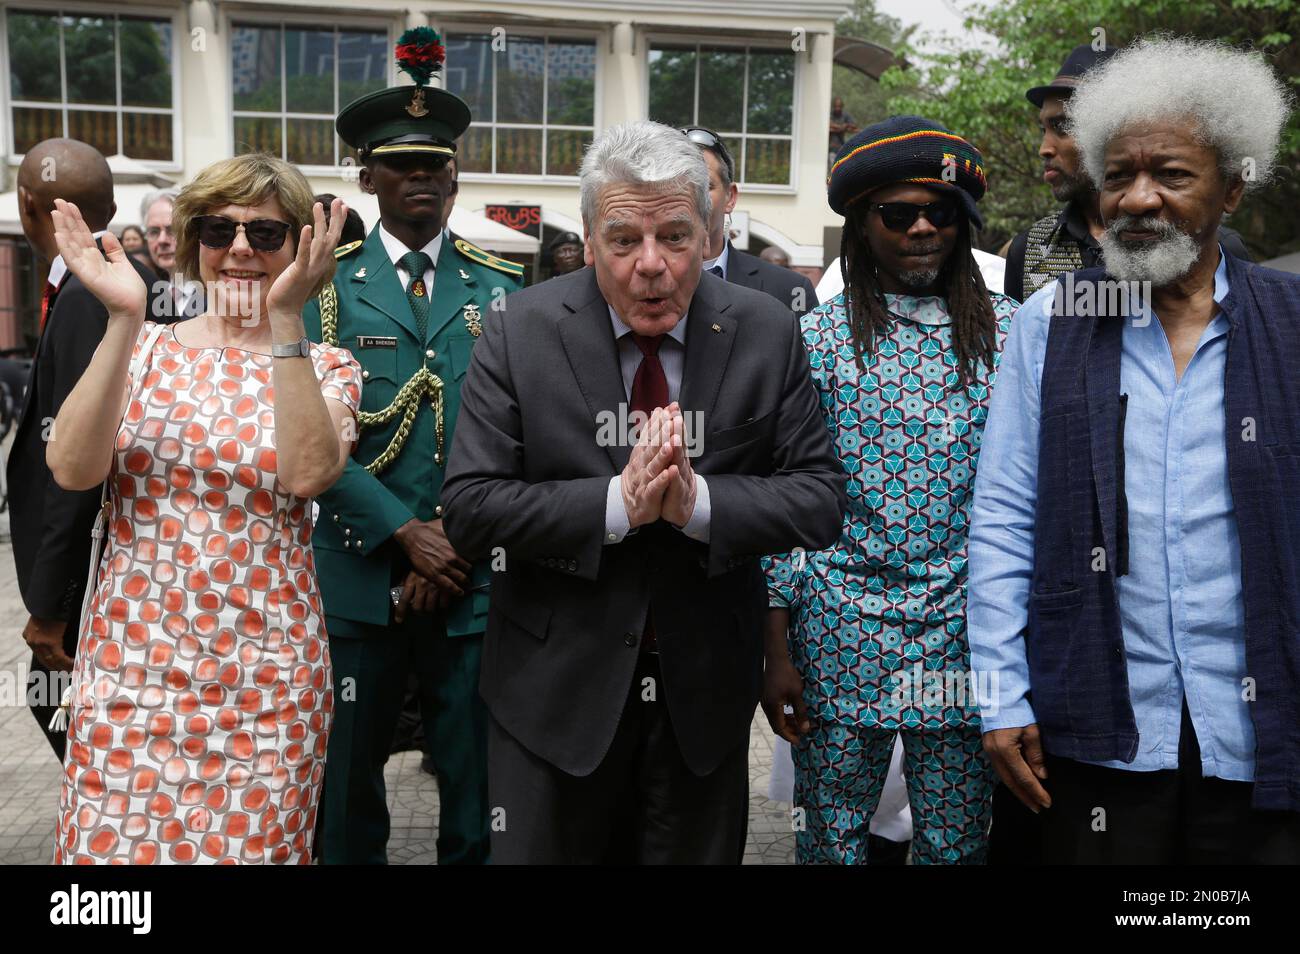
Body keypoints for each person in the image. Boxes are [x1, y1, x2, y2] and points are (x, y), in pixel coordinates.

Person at [441, 119, 846, 864]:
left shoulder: (767, 329)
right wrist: (615, 507)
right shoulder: (517, 330)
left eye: (675, 236)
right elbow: (469, 507)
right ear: (590, 240)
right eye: (624, 240)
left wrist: (701, 508)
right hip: (550, 700)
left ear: (710, 232)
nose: (651, 266)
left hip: (703, 701)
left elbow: (819, 499)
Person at [969, 36, 1300, 864]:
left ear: (1231, 187)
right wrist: (999, 696)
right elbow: (1005, 517)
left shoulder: (1291, 326)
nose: (1138, 199)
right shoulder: (1050, 324)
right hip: (1099, 732)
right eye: (1119, 176)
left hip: (1262, 730)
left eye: (1172, 176)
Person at [45, 152, 361, 864]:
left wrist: (284, 320)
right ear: (194, 244)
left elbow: (309, 473)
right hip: (130, 682)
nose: (241, 249)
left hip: (266, 691)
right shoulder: (145, 347)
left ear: (301, 249)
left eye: (268, 234)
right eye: (219, 231)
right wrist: (124, 317)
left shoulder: (330, 365)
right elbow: (69, 467)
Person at [763, 116, 1016, 864]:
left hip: (961, 635)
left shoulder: (1013, 332)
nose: (922, 229)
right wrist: (774, 648)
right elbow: (786, 498)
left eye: (941, 212)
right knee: (831, 843)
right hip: (840, 632)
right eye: (898, 214)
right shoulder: (818, 339)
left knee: (955, 844)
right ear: (862, 227)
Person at [301, 29, 524, 866]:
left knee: (475, 785)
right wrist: (405, 535)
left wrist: (451, 545)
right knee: (347, 784)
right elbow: (310, 443)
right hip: (359, 571)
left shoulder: (501, 291)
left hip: (466, 578)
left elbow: (517, 438)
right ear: (366, 176)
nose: (424, 177)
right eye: (403, 164)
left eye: (437, 163)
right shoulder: (325, 288)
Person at [8, 138, 170, 760]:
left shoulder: (85, 295)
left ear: (28, 207)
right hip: (104, 571)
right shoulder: (121, 283)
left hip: (89, 576)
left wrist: (51, 605)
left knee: (62, 708)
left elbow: (77, 466)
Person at [1003, 43, 1251, 303]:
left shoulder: (1216, 247)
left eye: (1063, 126)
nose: (1044, 149)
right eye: (1044, 129)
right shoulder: (1031, 249)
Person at [682, 126, 819, 316]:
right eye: (678, 185)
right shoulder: (636, 284)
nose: (691, 197)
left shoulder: (790, 290)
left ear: (730, 197)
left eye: (705, 185)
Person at [141, 188, 204, 320]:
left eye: (172, 230)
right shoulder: (150, 296)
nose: (162, 240)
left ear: (194, 233)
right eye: (154, 231)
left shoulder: (216, 296)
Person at [828, 97, 858, 170]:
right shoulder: (830, 114)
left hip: (841, 147)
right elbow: (829, 124)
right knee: (833, 169)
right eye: (836, 107)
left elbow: (854, 126)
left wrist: (846, 125)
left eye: (839, 107)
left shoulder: (845, 115)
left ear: (842, 107)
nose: (837, 108)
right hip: (832, 148)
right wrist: (841, 127)